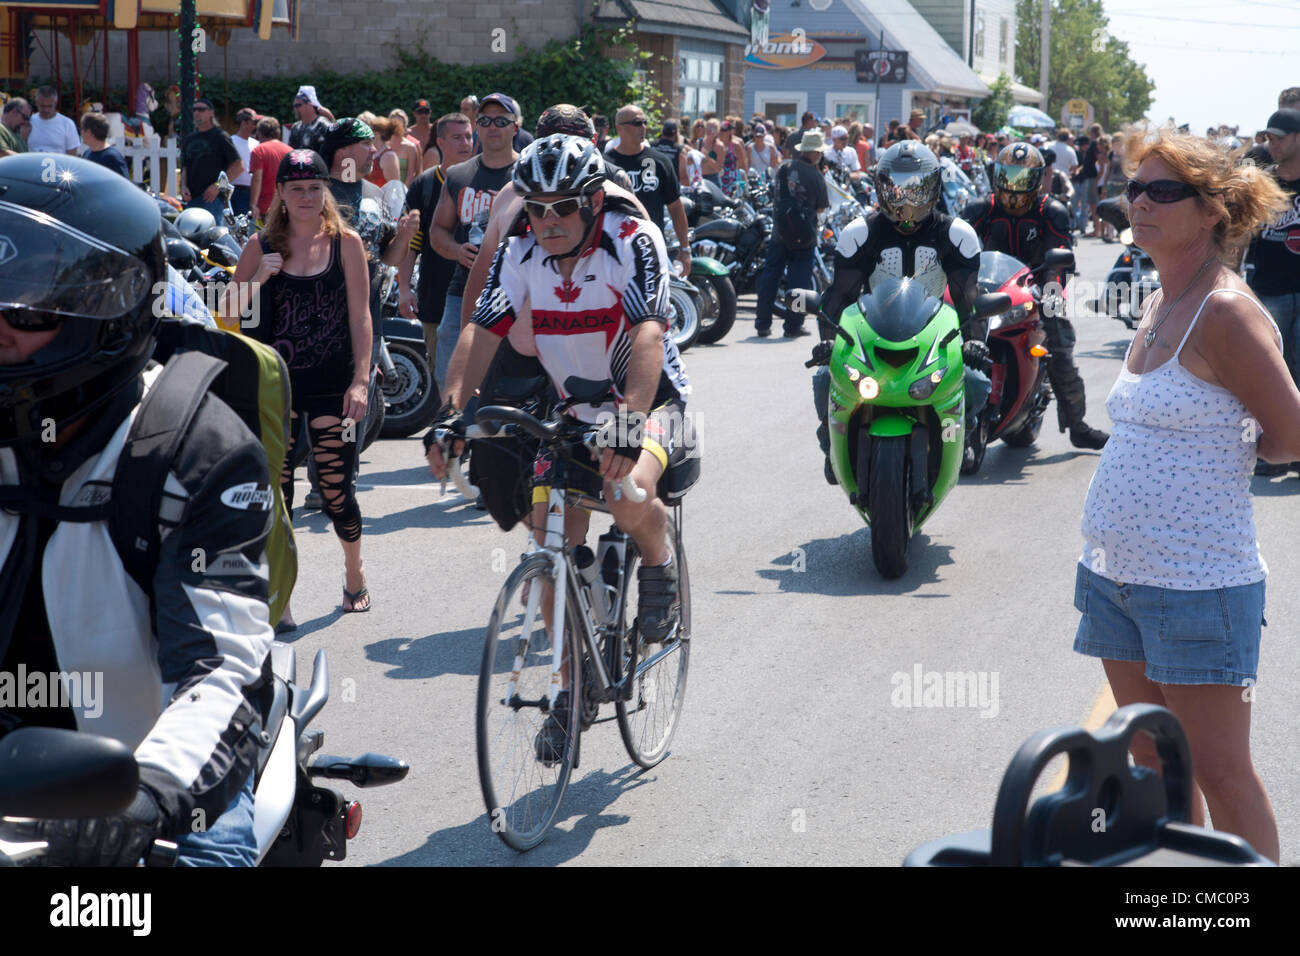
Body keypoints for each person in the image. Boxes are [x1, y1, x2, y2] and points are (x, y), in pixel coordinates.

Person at [0, 153, 275, 865]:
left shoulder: (196, 452)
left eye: (25, 308)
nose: (0, 327)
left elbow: (223, 669)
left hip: (149, 774)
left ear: (107, 314)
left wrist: (151, 790)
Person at [428, 134, 693, 756]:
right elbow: (483, 329)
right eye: (536, 206)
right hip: (573, 407)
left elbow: (650, 333)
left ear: (594, 201)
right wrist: (450, 416)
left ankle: (657, 563)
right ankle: (572, 691)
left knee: (626, 495)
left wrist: (629, 422)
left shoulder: (632, 238)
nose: (547, 220)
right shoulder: (520, 245)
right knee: (548, 547)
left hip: (650, 399)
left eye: (563, 207)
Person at [1073, 126, 1296, 864]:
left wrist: (1227, 452)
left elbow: (1290, 434)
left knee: (1223, 775)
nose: (1142, 202)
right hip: (1115, 577)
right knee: (1155, 770)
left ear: (1212, 212)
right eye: (1136, 188)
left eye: (1165, 191)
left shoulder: (1225, 312)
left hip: (1197, 583)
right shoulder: (1158, 300)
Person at [221, 149, 374, 614]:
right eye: (296, 188)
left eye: (315, 187)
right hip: (273, 384)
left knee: (335, 489)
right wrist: (256, 281)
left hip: (334, 383)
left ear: (325, 191)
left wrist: (361, 381)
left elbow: (361, 317)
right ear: (281, 196)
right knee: (276, 491)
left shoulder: (346, 243)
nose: (307, 196)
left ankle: (354, 572)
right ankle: (280, 589)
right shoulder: (259, 246)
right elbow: (225, 313)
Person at [811, 141, 987, 483]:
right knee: (823, 379)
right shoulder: (860, 233)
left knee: (978, 382)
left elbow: (968, 299)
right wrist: (829, 344)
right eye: (897, 188)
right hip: (872, 329)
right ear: (880, 187)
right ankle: (830, 443)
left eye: (916, 189)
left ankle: (964, 433)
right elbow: (839, 297)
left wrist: (974, 344)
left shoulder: (956, 234)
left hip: (934, 328)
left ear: (934, 187)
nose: (906, 200)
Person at [962, 142, 1109, 449]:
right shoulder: (980, 209)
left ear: (1038, 179)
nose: (1014, 187)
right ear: (997, 176)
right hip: (987, 292)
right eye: (1009, 176)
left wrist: (1050, 295)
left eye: (1023, 178)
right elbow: (958, 250)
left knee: (1058, 343)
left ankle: (1078, 425)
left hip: (1035, 290)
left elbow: (1062, 258)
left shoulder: (1051, 211)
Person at [427, 93, 520, 390]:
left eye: (501, 121)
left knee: (508, 381)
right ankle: (458, 434)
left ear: (515, 128)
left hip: (516, 294)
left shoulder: (529, 175)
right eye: (484, 120)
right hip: (462, 291)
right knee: (450, 377)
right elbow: (437, 232)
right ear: (476, 126)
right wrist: (457, 250)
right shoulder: (458, 174)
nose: (492, 127)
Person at [1245, 107, 1300, 466]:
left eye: (1280, 137)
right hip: (1268, 288)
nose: (1273, 144)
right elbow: (1241, 234)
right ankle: (1270, 449)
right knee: (1269, 373)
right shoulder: (1261, 181)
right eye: (1269, 138)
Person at [399, 111, 474, 367]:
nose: (465, 144)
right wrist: (404, 288)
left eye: (468, 137)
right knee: (442, 378)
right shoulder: (424, 185)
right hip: (436, 298)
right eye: (457, 138)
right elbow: (411, 243)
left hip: (479, 300)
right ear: (440, 143)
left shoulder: (482, 179)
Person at [753, 130, 829, 338]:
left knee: (771, 276)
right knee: (799, 282)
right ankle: (793, 326)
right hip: (804, 236)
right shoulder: (816, 176)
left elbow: (775, 196)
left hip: (779, 232)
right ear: (815, 153)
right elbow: (821, 208)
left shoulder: (783, 168)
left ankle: (762, 323)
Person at [604, 104, 691, 275]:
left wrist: (685, 249)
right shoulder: (605, 164)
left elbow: (675, 207)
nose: (643, 127)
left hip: (651, 248)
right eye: (637, 123)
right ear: (619, 128)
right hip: (614, 252)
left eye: (644, 122)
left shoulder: (660, 161)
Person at [180, 98, 243, 218]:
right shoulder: (189, 138)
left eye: (201, 109)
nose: (196, 112)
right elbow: (185, 167)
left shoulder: (220, 136)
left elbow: (238, 166)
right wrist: (183, 187)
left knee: (212, 234)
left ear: (211, 113)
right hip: (192, 198)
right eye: (194, 109)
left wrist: (217, 186)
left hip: (212, 199)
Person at [248, 116, 292, 220]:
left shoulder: (259, 150)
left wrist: (253, 204)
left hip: (265, 207)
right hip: (286, 206)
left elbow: (257, 179)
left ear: (259, 133)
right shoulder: (290, 151)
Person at [26, 87, 79, 155]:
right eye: (42, 106)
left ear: (55, 103)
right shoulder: (29, 122)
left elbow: (72, 155)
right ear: (36, 103)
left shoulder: (67, 124)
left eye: (50, 106)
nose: (46, 110)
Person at [79, 112, 128, 177]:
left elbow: (122, 184)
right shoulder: (87, 154)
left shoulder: (113, 158)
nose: (81, 133)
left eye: (81, 129)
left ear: (89, 132)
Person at [229, 108, 259, 215]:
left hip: (251, 192)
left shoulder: (256, 144)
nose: (256, 126)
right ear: (244, 123)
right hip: (234, 191)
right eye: (254, 122)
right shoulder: (230, 141)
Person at [387, 109, 424, 185]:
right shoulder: (384, 145)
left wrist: (402, 191)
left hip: (403, 190)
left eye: (400, 124)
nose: (397, 127)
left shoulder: (410, 147)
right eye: (394, 124)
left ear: (405, 126)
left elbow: (411, 174)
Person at [288, 87, 330, 152]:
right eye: (294, 106)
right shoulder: (295, 127)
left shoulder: (324, 125)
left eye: (298, 105)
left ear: (310, 105)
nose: (295, 109)